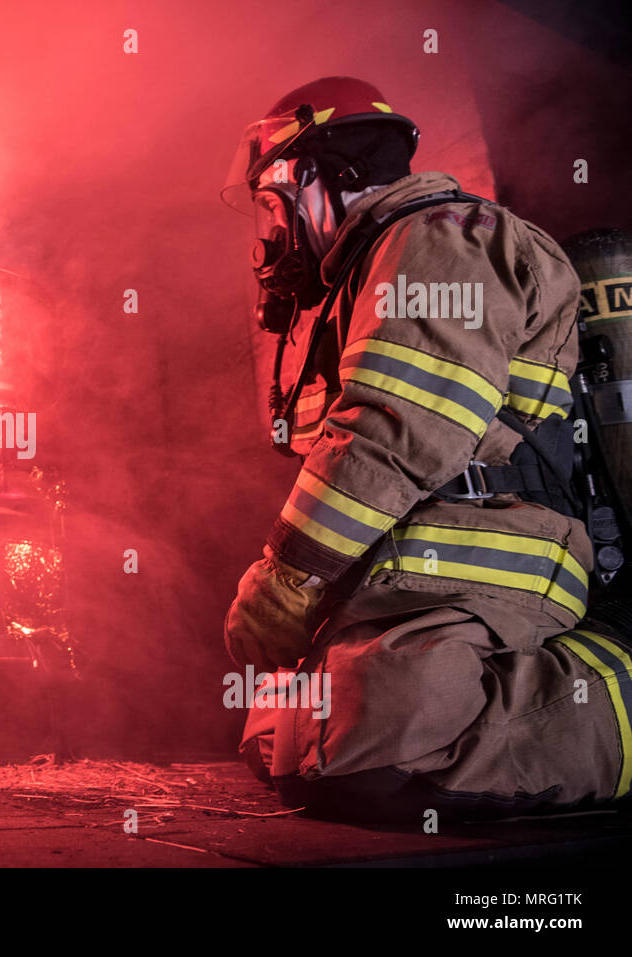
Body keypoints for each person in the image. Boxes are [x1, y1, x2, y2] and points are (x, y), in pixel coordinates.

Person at [221, 76, 632, 820]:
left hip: (486, 572)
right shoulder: (370, 271)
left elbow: (393, 434)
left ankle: (616, 684)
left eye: (270, 202)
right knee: (286, 732)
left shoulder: (438, 237)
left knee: (369, 742)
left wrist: (288, 578)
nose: (269, 231)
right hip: (408, 585)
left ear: (320, 174)